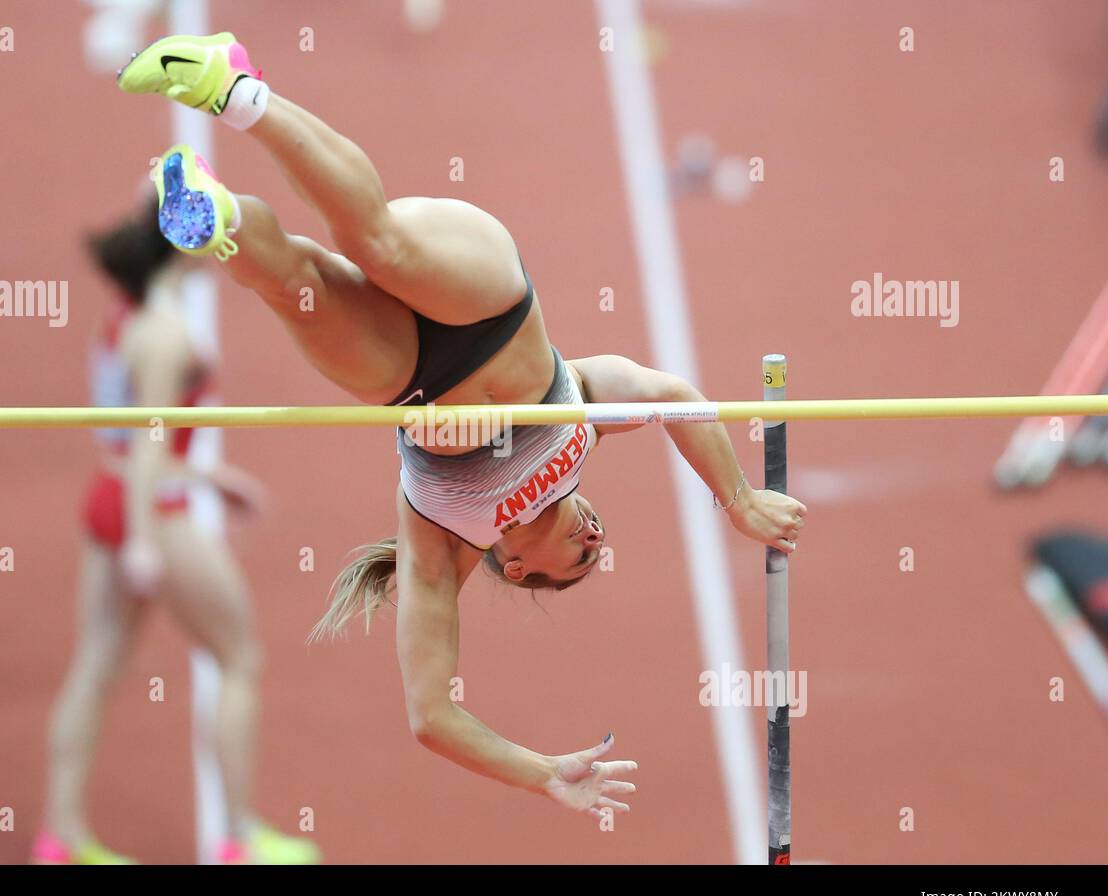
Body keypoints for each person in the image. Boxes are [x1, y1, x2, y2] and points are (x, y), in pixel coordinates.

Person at [117, 32, 808, 818]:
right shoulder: (586, 420)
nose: (595, 537)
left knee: (294, 283)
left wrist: (542, 772)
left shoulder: (443, 542)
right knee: (374, 242)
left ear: (517, 567)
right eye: (600, 542)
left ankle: (211, 216)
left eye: (581, 559)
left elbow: (432, 716)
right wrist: (737, 498)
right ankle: (236, 88)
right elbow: (672, 394)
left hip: (410, 377)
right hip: (489, 303)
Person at [34, 199, 319, 863]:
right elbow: (150, 438)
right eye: (213, 228)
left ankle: (59, 836)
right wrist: (143, 539)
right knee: (239, 655)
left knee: (95, 665)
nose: (226, 240)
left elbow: (133, 434)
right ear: (184, 244)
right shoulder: (165, 333)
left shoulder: (126, 310)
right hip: (150, 509)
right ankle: (240, 838)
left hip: (111, 492)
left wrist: (205, 477)